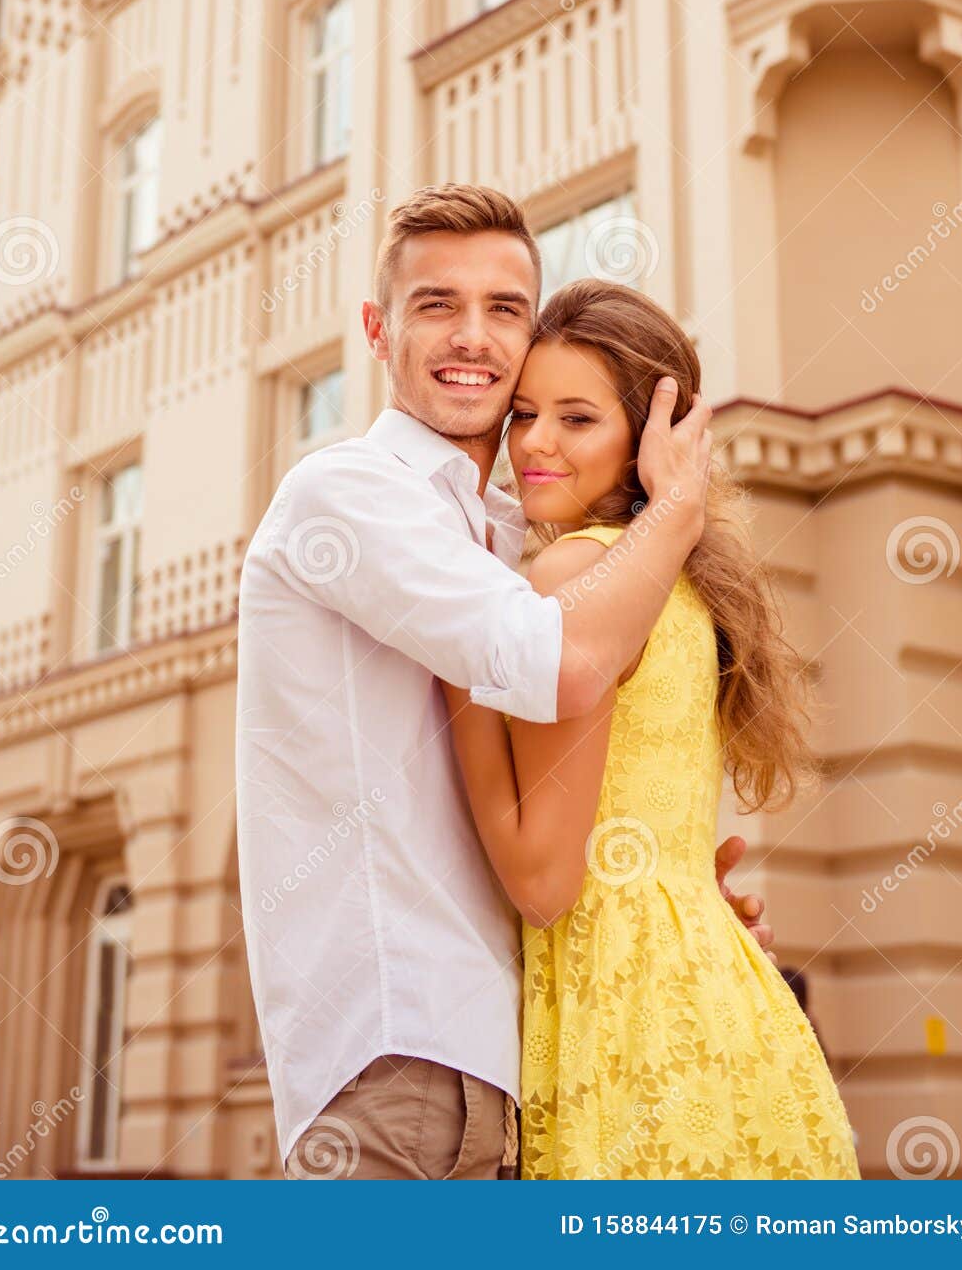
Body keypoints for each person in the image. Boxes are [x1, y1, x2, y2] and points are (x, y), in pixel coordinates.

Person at [235, 184, 775, 1181]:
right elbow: (558, 668)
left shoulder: (510, 531)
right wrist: (678, 510)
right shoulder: (350, 494)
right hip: (400, 1050)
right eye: (436, 303)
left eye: (504, 309)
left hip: (514, 1056)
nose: (472, 336)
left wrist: (663, 886)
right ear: (377, 329)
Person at [441, 277, 860, 1179]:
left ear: (649, 442)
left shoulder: (569, 577)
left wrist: (453, 672)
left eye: (577, 419)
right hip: (735, 1016)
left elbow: (542, 882)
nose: (535, 444)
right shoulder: (683, 588)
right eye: (523, 415)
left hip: (625, 1020)